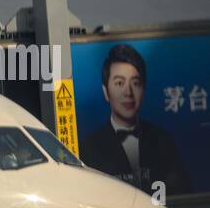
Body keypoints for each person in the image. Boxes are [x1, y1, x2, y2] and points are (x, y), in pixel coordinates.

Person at [78, 44, 190, 195]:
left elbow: (182, 192)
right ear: (105, 91)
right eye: (119, 83)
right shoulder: (88, 150)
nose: (128, 92)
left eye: (135, 83)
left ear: (143, 89)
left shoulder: (163, 141)